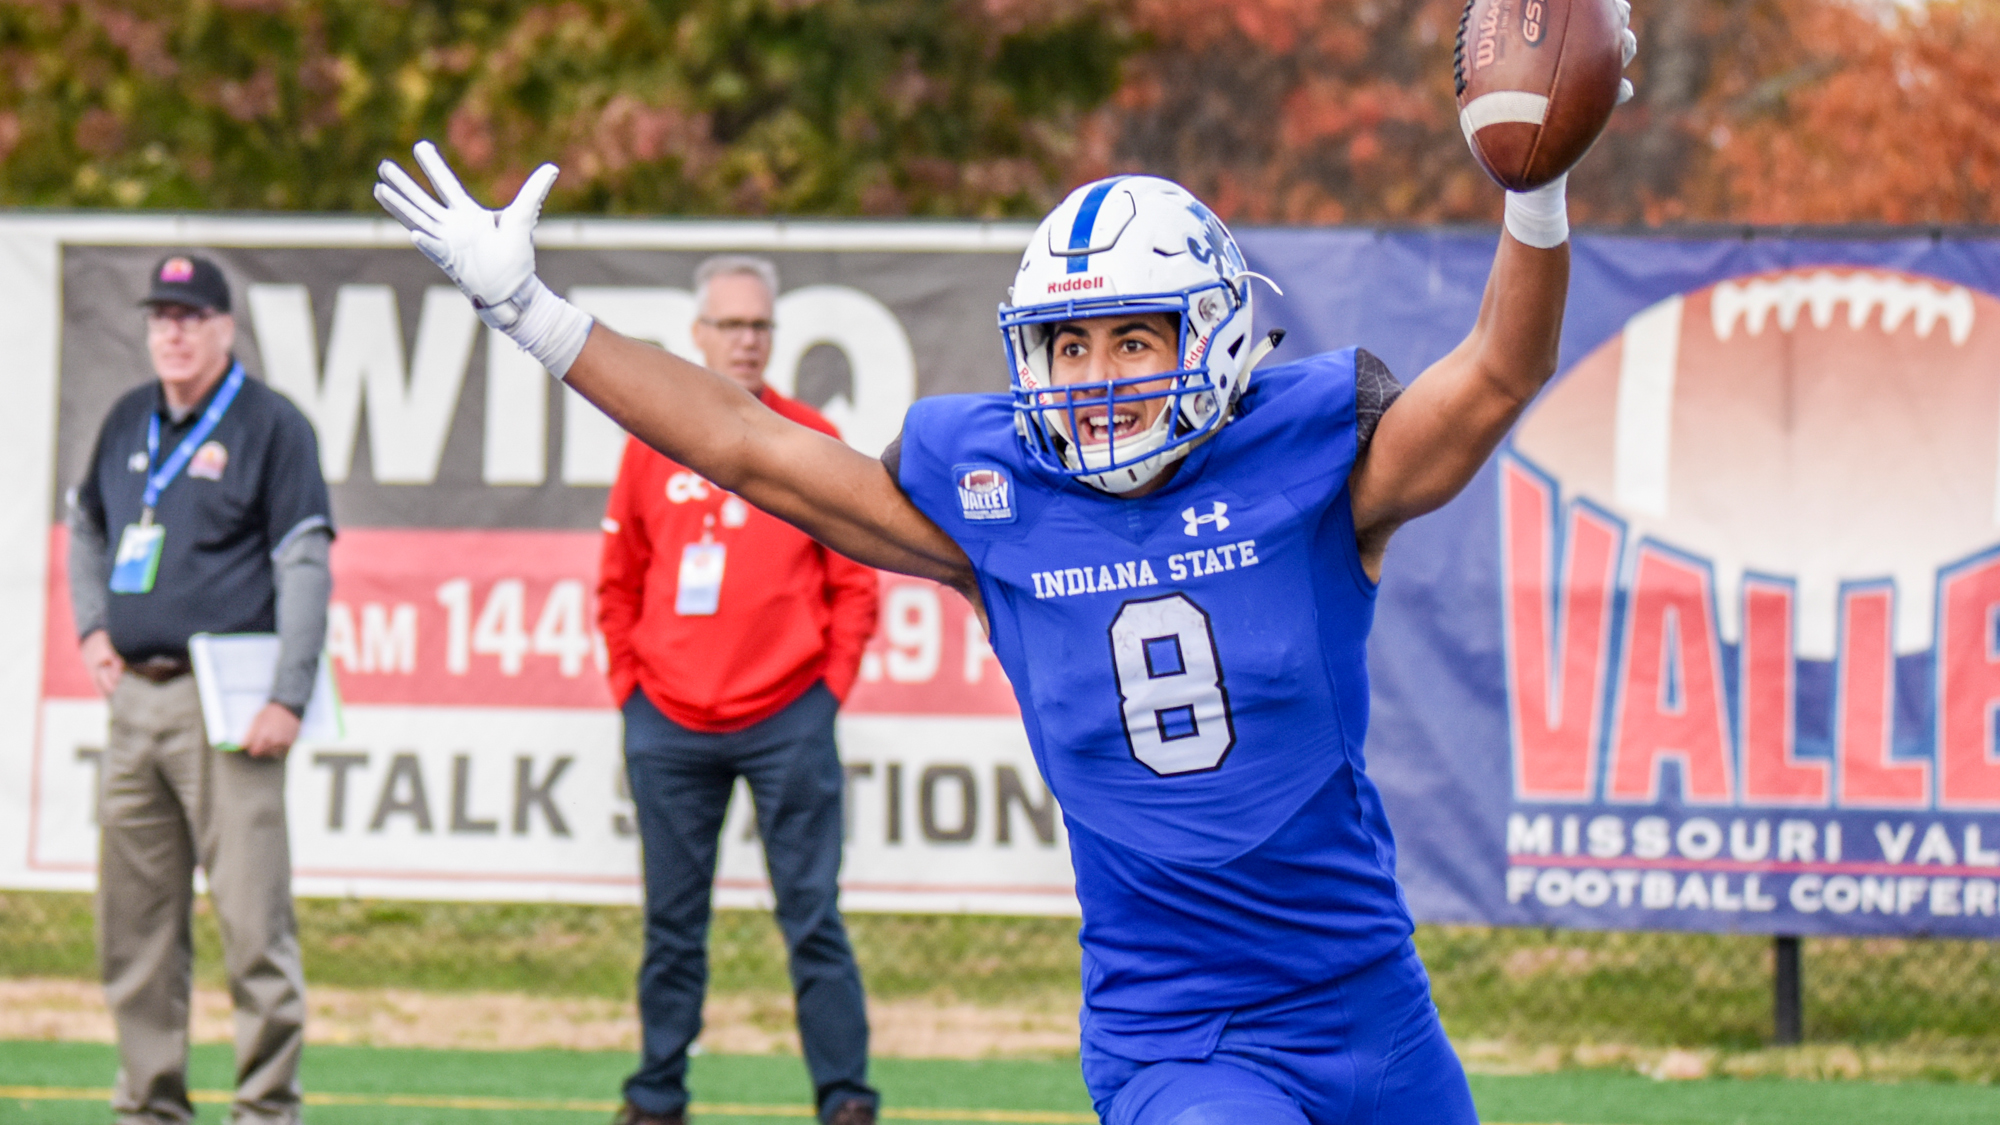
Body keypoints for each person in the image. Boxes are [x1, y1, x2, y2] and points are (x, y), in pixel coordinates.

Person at [373, 11, 1634, 1113]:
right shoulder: (1000, 508)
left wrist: (1536, 195)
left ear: (1212, 333)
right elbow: (749, 448)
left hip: (1368, 1001)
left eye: (1132, 341)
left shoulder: (1309, 472)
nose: (1094, 382)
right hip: (1176, 1033)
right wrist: (535, 315)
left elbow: (1494, 373)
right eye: (1068, 348)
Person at [595, 255, 882, 1125]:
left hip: (787, 717)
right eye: (730, 325)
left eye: (759, 325)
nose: (746, 341)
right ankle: (656, 1096)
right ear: (698, 335)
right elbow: (617, 582)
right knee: (671, 926)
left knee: (812, 918)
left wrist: (824, 694)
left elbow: (855, 583)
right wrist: (632, 696)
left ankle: (844, 1097)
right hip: (670, 724)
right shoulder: (651, 442)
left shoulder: (806, 435)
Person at [67, 254, 334, 1125]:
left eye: (190, 315)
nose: (173, 331)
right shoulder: (127, 420)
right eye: (160, 317)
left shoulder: (270, 425)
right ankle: (149, 1104)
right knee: (134, 925)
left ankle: (265, 1106)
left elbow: (304, 563)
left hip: (228, 701)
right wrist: (92, 625)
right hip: (134, 701)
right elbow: (87, 525)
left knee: (253, 923)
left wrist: (288, 694)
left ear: (225, 327)